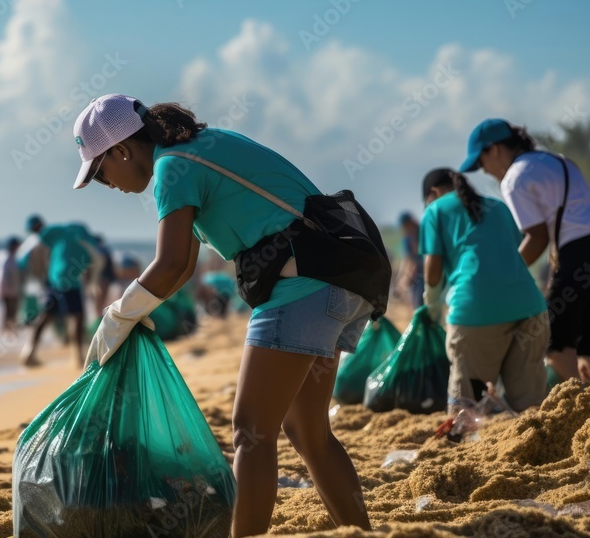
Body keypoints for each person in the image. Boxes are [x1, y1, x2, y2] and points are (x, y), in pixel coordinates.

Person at [72, 94, 373, 535]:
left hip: (303, 288)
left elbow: (172, 262)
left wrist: (117, 316)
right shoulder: (200, 147)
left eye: (101, 173)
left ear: (121, 150)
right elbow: (183, 265)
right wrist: (136, 310)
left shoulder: (173, 167)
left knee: (251, 430)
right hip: (342, 280)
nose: (108, 184)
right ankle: (359, 531)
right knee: (308, 431)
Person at [459, 119, 590, 382]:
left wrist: (506, 275)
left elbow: (537, 237)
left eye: (481, 163)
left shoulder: (515, 178)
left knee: (553, 343)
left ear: (495, 149)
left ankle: (587, 407)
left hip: (580, 254)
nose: (485, 172)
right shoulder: (557, 160)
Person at [420, 168, 549, 413]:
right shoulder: (498, 206)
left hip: (475, 316)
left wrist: (432, 305)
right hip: (530, 309)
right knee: (531, 407)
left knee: (466, 409)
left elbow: (432, 268)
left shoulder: (434, 211)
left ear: (432, 194)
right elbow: (513, 252)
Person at [19, 219, 97, 367]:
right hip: (70, 282)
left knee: (46, 316)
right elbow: (90, 267)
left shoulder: (56, 237)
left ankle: (28, 352)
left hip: (53, 280)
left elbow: (41, 255)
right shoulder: (82, 243)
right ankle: (78, 357)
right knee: (77, 317)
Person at [0, 236, 23, 333]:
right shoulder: (7, 257)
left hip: (4, 288)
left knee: (8, 310)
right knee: (10, 311)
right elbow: (4, 275)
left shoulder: (3, 256)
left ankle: (8, 330)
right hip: (9, 289)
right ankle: (9, 330)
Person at [398, 212, 424, 309]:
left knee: (422, 303)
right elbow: (407, 260)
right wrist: (402, 280)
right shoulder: (406, 240)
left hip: (425, 273)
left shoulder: (422, 233)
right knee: (417, 303)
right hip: (416, 276)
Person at [91, 235, 117, 318]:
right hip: (107, 276)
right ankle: (100, 314)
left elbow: (99, 264)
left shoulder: (97, 249)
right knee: (103, 296)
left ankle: (98, 316)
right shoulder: (106, 249)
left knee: (98, 297)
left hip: (101, 276)